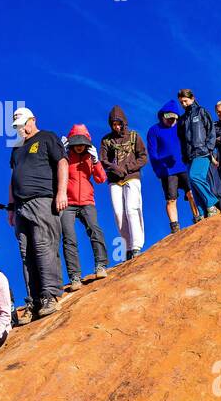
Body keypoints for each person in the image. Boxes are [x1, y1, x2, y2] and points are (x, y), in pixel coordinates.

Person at [7, 107, 67, 321]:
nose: (20, 129)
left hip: (42, 200)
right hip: (21, 206)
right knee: (26, 253)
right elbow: (13, 178)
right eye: (17, 126)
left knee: (43, 246)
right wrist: (11, 207)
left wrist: (61, 192)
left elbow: (62, 162)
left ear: (32, 120)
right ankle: (34, 301)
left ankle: (49, 295)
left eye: (23, 124)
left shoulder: (47, 137)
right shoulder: (16, 148)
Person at [60, 124, 109, 291]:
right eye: (76, 142)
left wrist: (96, 161)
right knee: (69, 238)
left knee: (95, 230)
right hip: (67, 203)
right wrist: (61, 154)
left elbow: (101, 179)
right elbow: (54, 174)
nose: (79, 146)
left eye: (82, 143)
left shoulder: (90, 156)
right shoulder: (65, 156)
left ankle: (101, 265)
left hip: (87, 201)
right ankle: (74, 276)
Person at [100, 106, 148, 259]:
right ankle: (126, 248)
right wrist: (114, 168)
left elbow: (143, 157)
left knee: (132, 209)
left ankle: (136, 246)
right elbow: (103, 159)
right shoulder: (107, 140)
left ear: (124, 122)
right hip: (114, 180)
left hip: (131, 177)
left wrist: (127, 168)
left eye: (118, 123)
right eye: (113, 124)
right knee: (118, 213)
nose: (116, 126)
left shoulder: (134, 136)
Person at [147, 102, 192, 232]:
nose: (172, 120)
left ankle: (197, 217)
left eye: (174, 118)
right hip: (167, 171)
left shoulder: (180, 127)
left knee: (191, 194)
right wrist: (158, 169)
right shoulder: (154, 130)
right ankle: (175, 226)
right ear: (163, 116)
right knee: (171, 199)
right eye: (169, 118)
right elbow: (152, 152)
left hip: (184, 166)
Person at [176, 90, 221, 219]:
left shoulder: (201, 111)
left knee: (195, 176)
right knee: (193, 183)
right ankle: (202, 213)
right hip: (189, 156)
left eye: (185, 101)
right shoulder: (183, 119)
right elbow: (182, 140)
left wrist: (209, 148)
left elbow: (211, 131)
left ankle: (212, 204)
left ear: (192, 98)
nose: (184, 104)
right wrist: (184, 155)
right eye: (181, 102)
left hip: (202, 152)